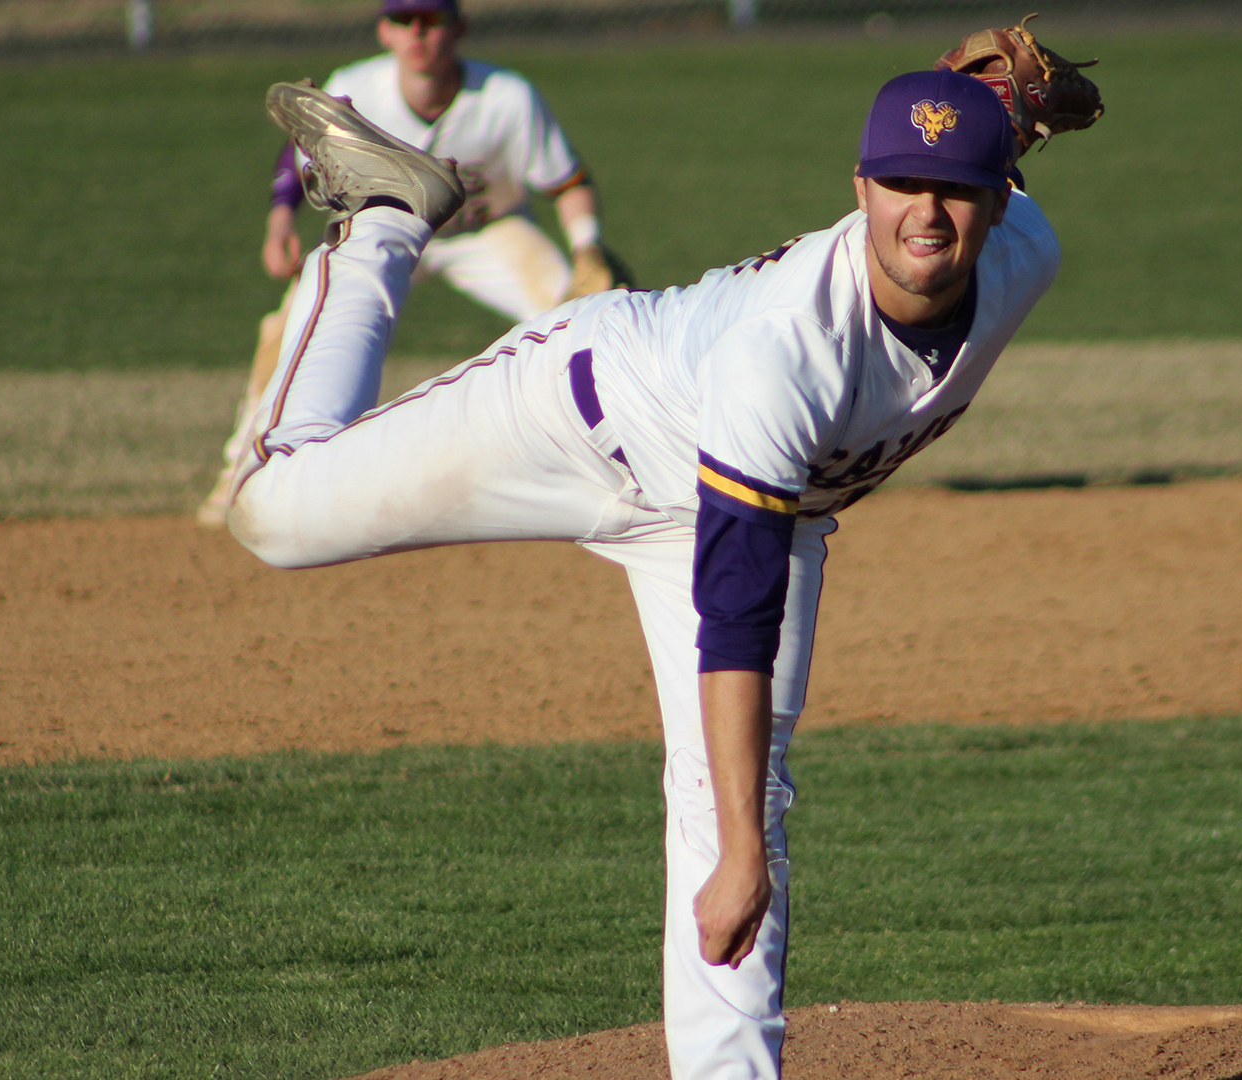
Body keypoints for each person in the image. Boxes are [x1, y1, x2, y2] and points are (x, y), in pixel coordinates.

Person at [228, 54, 1087, 1079]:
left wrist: (1025, 110)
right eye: (900, 182)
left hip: (755, 502)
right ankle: (383, 215)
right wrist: (737, 854)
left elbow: (991, 161)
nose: (927, 213)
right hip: (576, 416)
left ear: (998, 201)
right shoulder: (791, 352)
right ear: (858, 189)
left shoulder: (1022, 251)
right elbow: (734, 609)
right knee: (273, 517)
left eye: (956, 188)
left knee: (741, 799)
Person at [196, 0, 620, 527]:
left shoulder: (506, 97)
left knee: (585, 317)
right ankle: (240, 470)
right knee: (289, 328)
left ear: (459, 27)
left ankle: (612, 463)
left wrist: (587, 246)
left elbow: (567, 182)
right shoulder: (357, 87)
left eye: (431, 19)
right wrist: (279, 221)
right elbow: (299, 152)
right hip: (386, 230)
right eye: (404, 20)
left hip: (483, 235)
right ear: (384, 31)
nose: (417, 32)